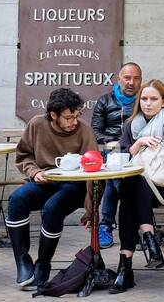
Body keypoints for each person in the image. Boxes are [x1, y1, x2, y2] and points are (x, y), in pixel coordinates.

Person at [109, 79, 164, 293]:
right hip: (139, 188)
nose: (148, 103)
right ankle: (148, 240)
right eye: (144, 99)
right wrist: (138, 144)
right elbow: (121, 157)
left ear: (163, 101)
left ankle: (127, 266)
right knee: (133, 182)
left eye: (153, 99)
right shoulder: (133, 124)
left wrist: (159, 150)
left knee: (129, 192)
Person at [6, 88, 97, 291]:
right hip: (44, 180)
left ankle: (43, 264)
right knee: (16, 200)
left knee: (52, 207)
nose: (74, 121)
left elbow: (94, 170)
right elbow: (23, 155)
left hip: (75, 185)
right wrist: (34, 172)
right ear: (53, 115)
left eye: (77, 115)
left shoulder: (84, 131)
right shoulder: (37, 124)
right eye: (68, 117)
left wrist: (91, 210)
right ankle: (23, 262)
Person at [91, 61, 142, 249]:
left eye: (136, 78)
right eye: (127, 78)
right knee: (115, 174)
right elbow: (96, 131)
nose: (131, 82)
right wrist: (116, 142)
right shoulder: (105, 100)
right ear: (118, 79)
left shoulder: (144, 100)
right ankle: (135, 225)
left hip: (138, 152)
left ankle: (106, 225)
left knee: (115, 179)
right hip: (111, 151)